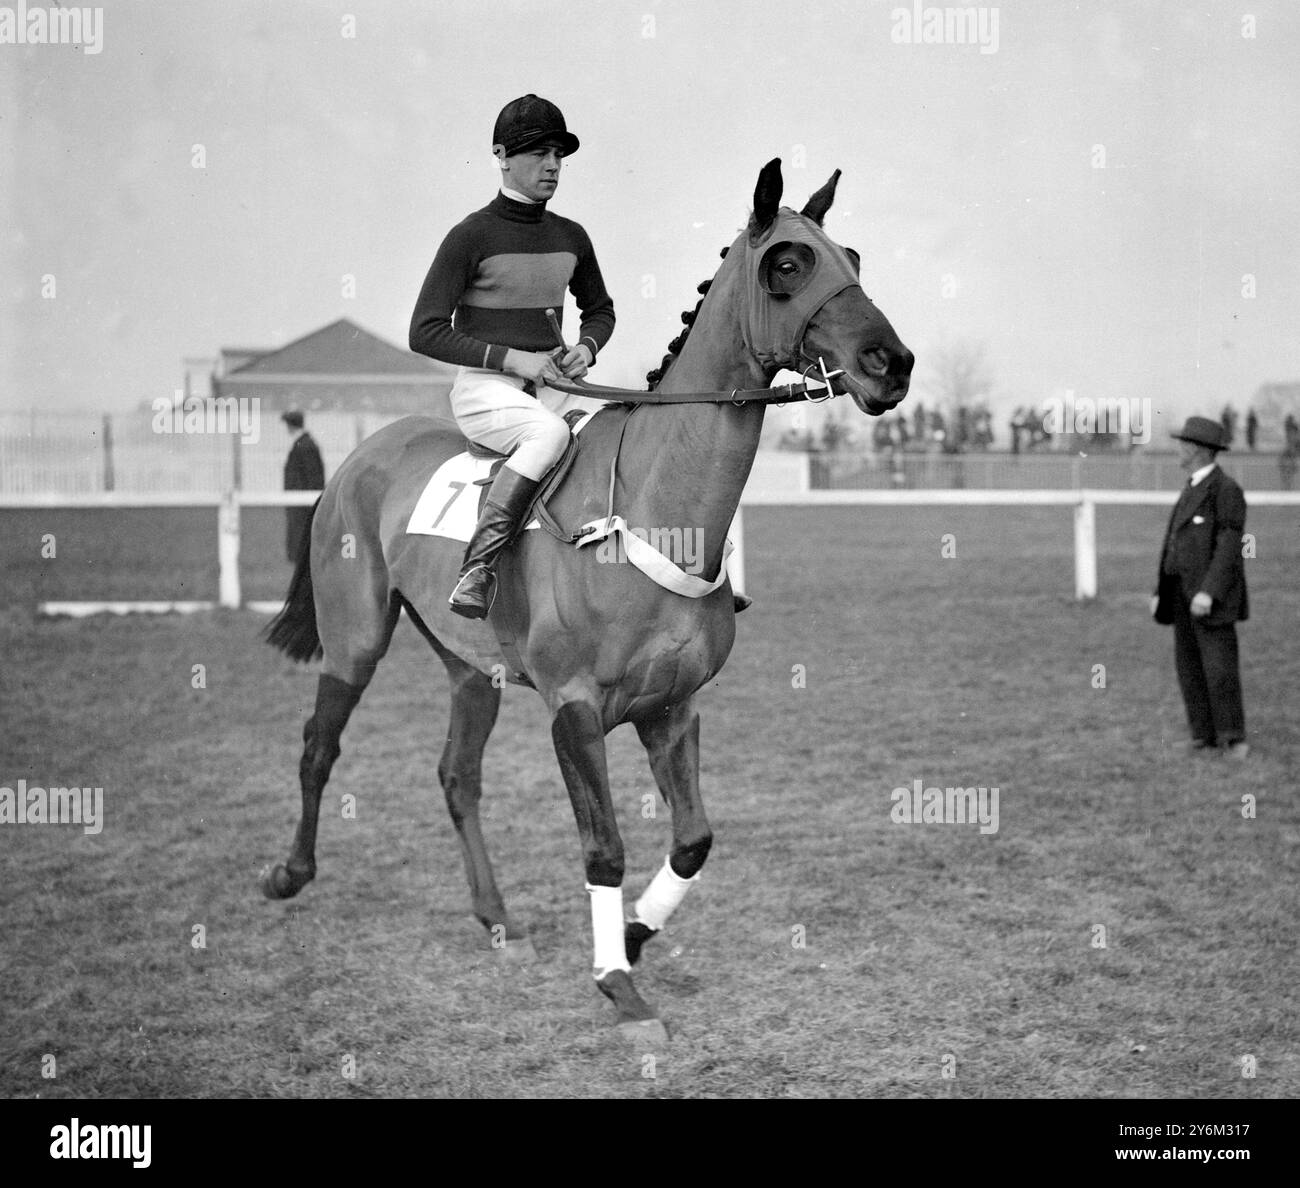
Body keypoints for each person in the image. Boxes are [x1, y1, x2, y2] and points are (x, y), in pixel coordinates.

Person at [409, 95, 615, 619]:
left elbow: (601, 311)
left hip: (552, 387)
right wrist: (511, 359)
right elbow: (424, 331)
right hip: (485, 390)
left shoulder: (572, 236)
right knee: (550, 436)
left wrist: (586, 348)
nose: (552, 165)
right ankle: (476, 568)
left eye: (558, 155)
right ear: (501, 155)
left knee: (617, 436)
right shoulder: (470, 236)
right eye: (537, 153)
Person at [1150, 416, 1249, 758]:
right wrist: (1159, 592)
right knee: (1189, 667)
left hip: (1209, 597)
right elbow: (1173, 543)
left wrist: (1209, 591)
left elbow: (1229, 546)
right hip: (1181, 594)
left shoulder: (1226, 490)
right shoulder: (1191, 487)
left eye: (1182, 445)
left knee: (1219, 667)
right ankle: (1203, 736)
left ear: (1195, 449)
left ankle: (1233, 738)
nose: (1178, 450)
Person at [282, 409, 324, 563]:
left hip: (302, 505)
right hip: (300, 503)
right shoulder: (304, 443)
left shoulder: (305, 445)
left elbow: (313, 477)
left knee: (301, 541)